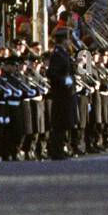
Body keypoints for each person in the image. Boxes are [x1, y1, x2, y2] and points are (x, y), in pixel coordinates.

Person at [47, 29, 77, 160]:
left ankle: (61, 148)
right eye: (68, 39)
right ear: (64, 40)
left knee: (65, 122)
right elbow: (51, 74)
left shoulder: (64, 53)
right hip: (61, 94)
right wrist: (64, 80)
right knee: (59, 123)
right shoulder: (57, 54)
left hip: (67, 94)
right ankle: (56, 150)